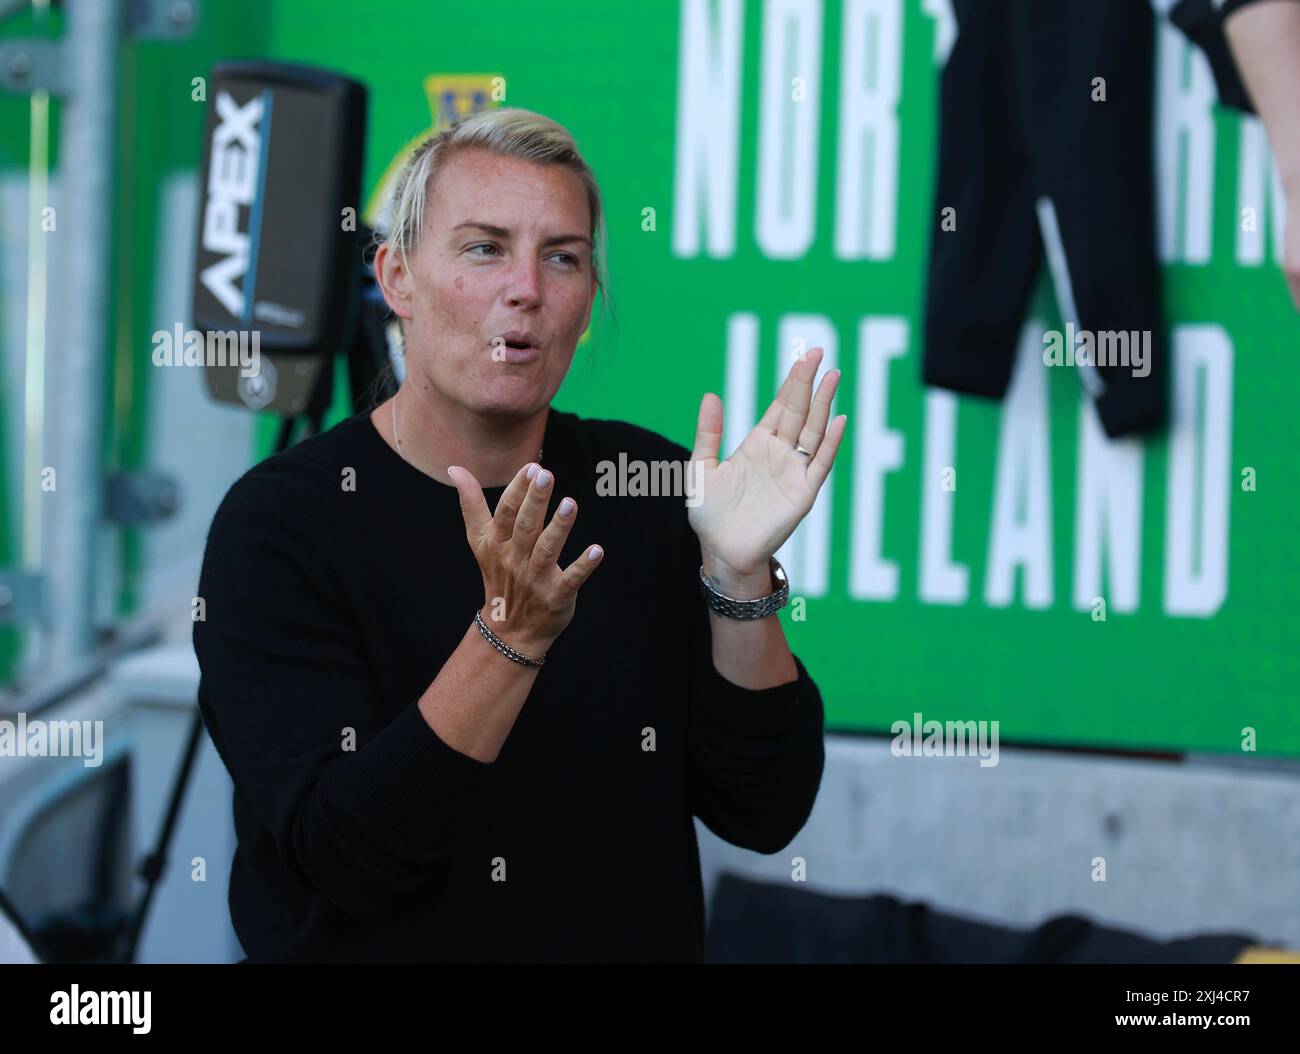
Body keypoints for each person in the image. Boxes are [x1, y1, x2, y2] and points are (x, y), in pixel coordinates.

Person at [192, 106, 846, 962]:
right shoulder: (280, 526)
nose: (527, 289)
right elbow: (346, 857)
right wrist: (508, 640)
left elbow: (763, 810)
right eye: (483, 247)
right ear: (397, 278)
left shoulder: (648, 487)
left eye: (563, 257)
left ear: (587, 302)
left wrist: (739, 579)